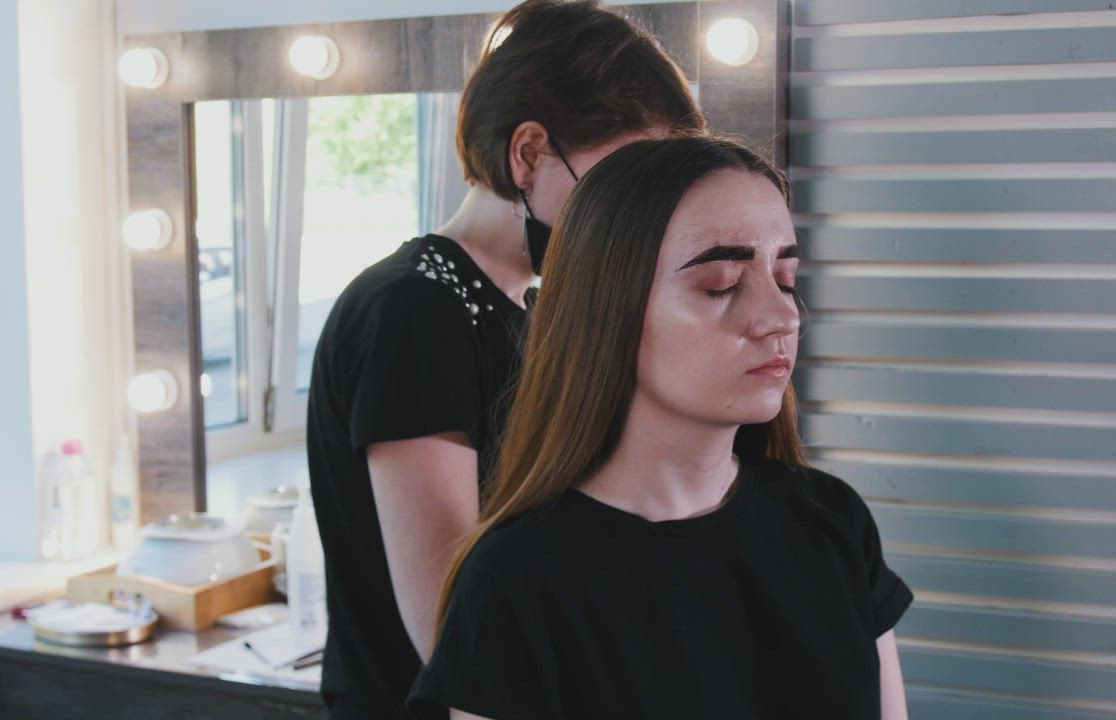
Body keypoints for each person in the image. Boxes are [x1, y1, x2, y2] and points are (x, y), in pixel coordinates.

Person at [408, 135, 914, 720]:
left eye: (785, 277)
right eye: (720, 284)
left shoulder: (832, 521)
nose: (782, 317)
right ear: (607, 309)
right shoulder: (517, 580)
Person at [305, 1, 704, 716]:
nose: (633, 217)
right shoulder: (413, 311)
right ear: (527, 154)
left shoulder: (532, 305)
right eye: (616, 184)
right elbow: (450, 624)